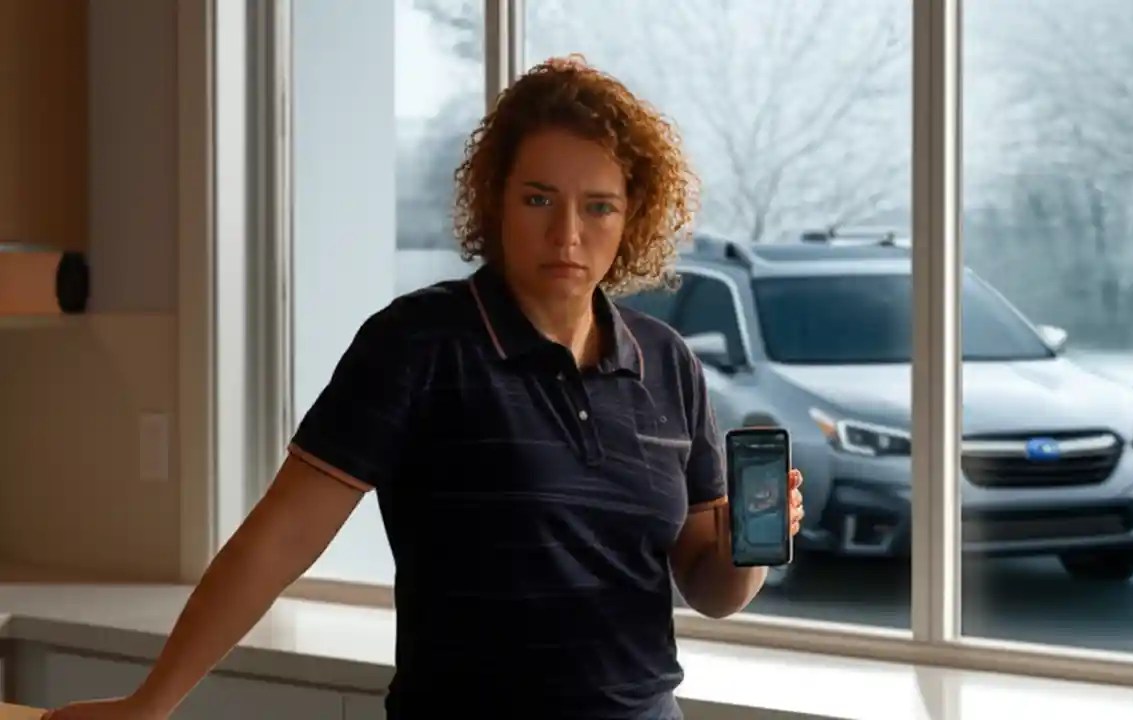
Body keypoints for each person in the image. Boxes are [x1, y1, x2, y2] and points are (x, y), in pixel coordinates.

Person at [44, 55, 804, 720]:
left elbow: (711, 591)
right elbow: (277, 540)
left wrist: (753, 543)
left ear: (630, 216)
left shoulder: (667, 363)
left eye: (597, 206)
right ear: (495, 203)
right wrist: (150, 704)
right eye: (538, 199)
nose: (567, 234)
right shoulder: (420, 343)